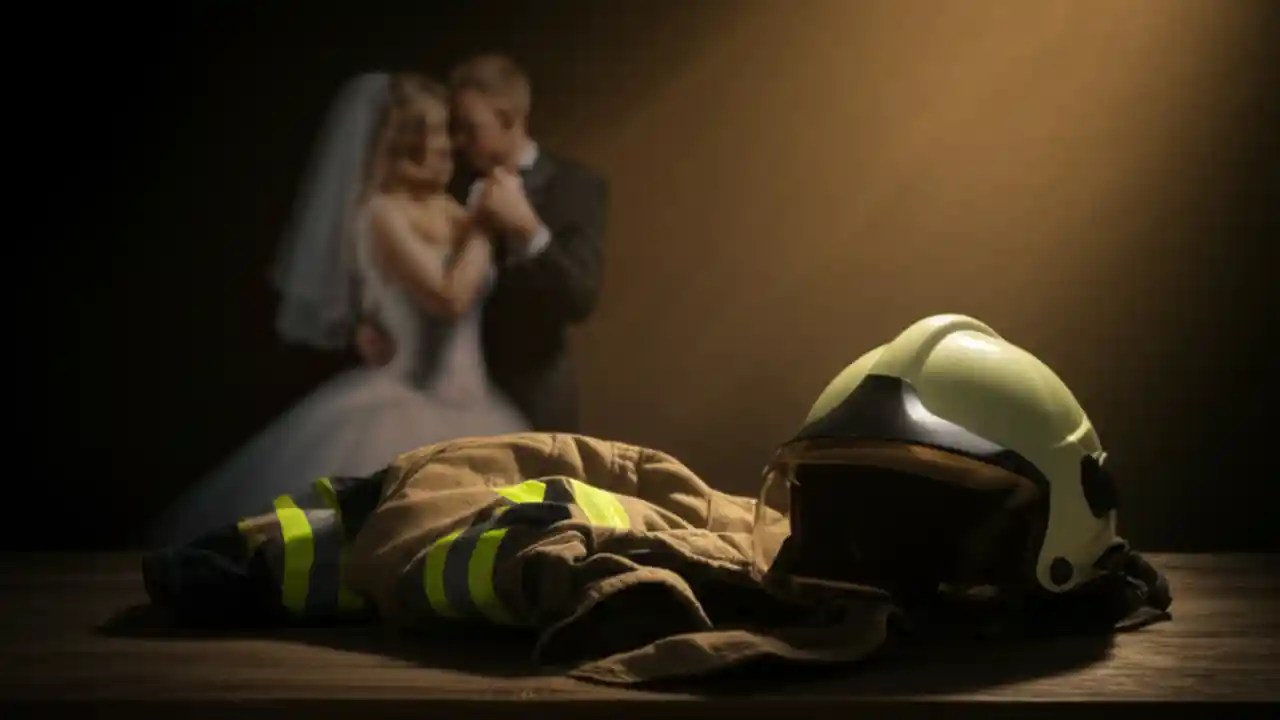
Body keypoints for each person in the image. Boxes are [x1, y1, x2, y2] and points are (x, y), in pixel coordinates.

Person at [147, 72, 529, 547]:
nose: (444, 145)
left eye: (446, 131)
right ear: (401, 143)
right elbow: (449, 299)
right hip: (406, 401)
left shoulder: (453, 207)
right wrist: (486, 228)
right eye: (429, 133)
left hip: (478, 405)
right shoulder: (382, 211)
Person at [358, 53, 609, 433]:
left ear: (508, 120)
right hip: (433, 398)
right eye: (453, 128)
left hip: (531, 403)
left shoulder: (574, 186)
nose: (455, 142)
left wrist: (528, 230)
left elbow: (580, 298)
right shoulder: (443, 185)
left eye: (468, 128)